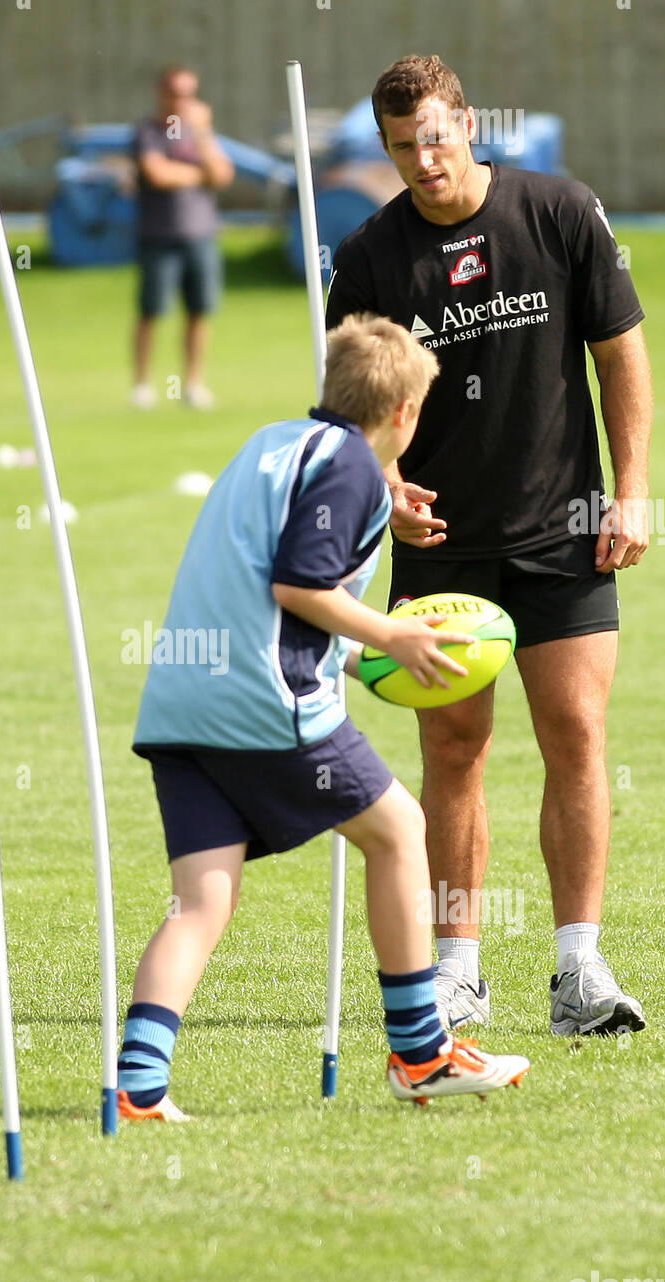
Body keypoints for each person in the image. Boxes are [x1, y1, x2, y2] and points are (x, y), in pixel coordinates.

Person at [115, 314, 530, 1121]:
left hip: (181, 706)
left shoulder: (273, 444)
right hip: (265, 706)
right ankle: (421, 1053)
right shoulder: (345, 467)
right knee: (400, 831)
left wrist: (356, 627)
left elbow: (257, 576)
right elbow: (298, 587)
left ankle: (138, 1087)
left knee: (202, 900)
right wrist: (392, 636)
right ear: (404, 414)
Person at [325, 54, 653, 1037]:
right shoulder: (372, 255)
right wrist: (386, 493)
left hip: (564, 531)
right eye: (400, 148)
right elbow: (350, 413)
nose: (422, 162)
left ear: (467, 124)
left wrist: (630, 491)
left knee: (578, 736)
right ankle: (457, 969)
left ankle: (579, 972)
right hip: (445, 546)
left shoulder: (559, 211)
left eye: (434, 137)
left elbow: (619, 354)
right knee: (454, 751)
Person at [131, 65, 234, 410]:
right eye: (176, 93)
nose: (182, 101)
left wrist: (202, 136)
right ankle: (142, 385)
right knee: (151, 311)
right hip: (159, 236)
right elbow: (157, 174)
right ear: (162, 93)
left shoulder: (200, 133)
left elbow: (221, 175)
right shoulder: (148, 131)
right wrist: (197, 174)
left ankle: (192, 384)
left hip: (200, 235)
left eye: (188, 94)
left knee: (199, 311)